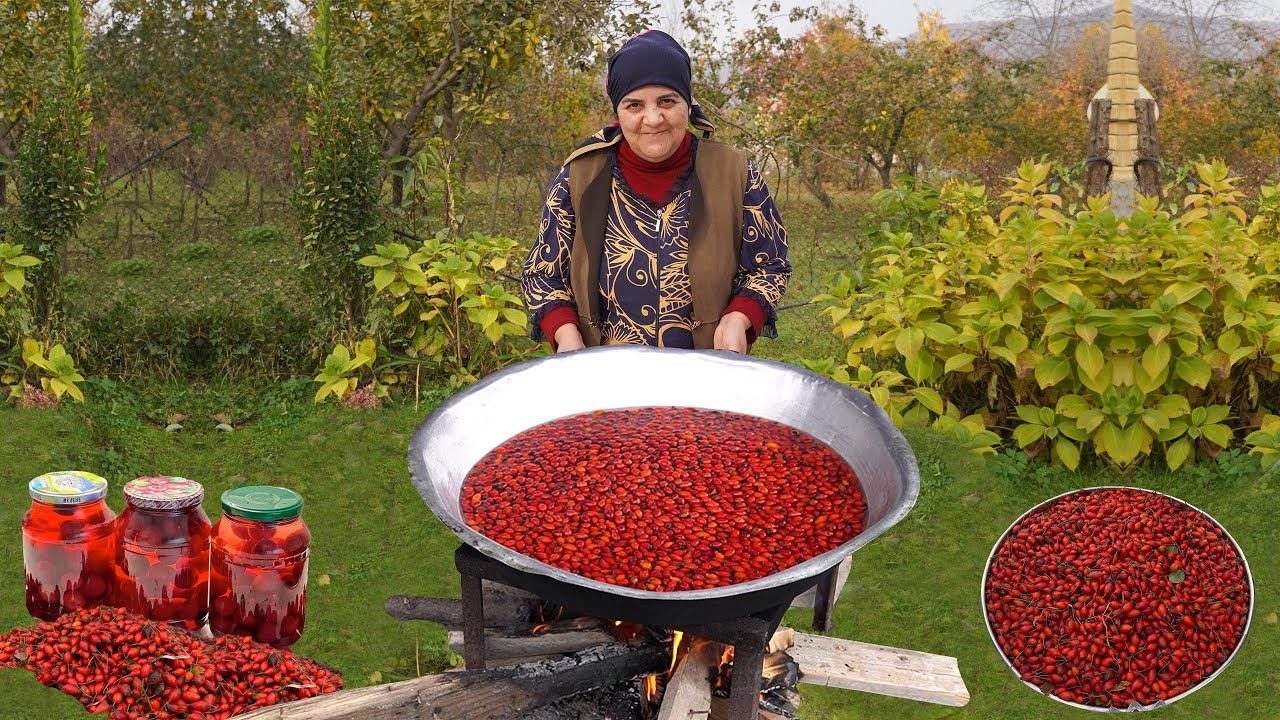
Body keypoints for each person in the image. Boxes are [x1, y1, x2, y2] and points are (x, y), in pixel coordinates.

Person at [521, 29, 791, 355]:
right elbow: (542, 273)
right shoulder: (579, 176)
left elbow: (770, 265)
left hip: (708, 372)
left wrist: (739, 317)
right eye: (634, 105)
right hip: (604, 374)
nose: (652, 118)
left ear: (688, 104)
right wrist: (565, 333)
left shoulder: (734, 171)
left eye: (667, 101)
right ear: (618, 112)